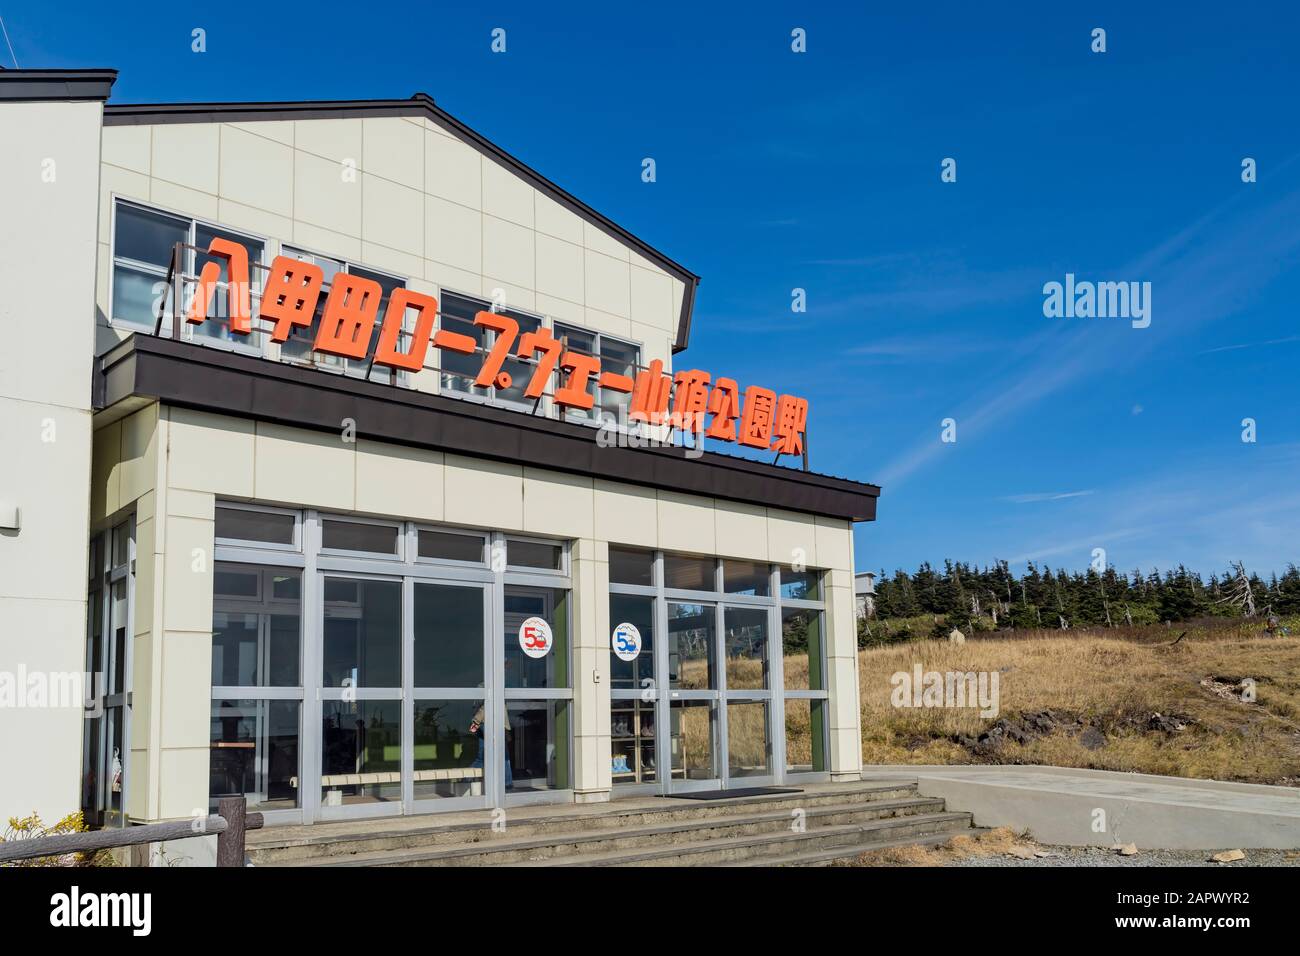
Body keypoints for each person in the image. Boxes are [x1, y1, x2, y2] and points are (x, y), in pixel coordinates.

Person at [469, 700, 513, 790]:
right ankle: (507, 783)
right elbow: (490, 705)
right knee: (504, 757)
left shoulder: (480, 694)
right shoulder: (492, 693)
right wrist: (476, 721)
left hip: (483, 723)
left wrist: (475, 723)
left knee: (482, 758)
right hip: (492, 724)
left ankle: (466, 778)